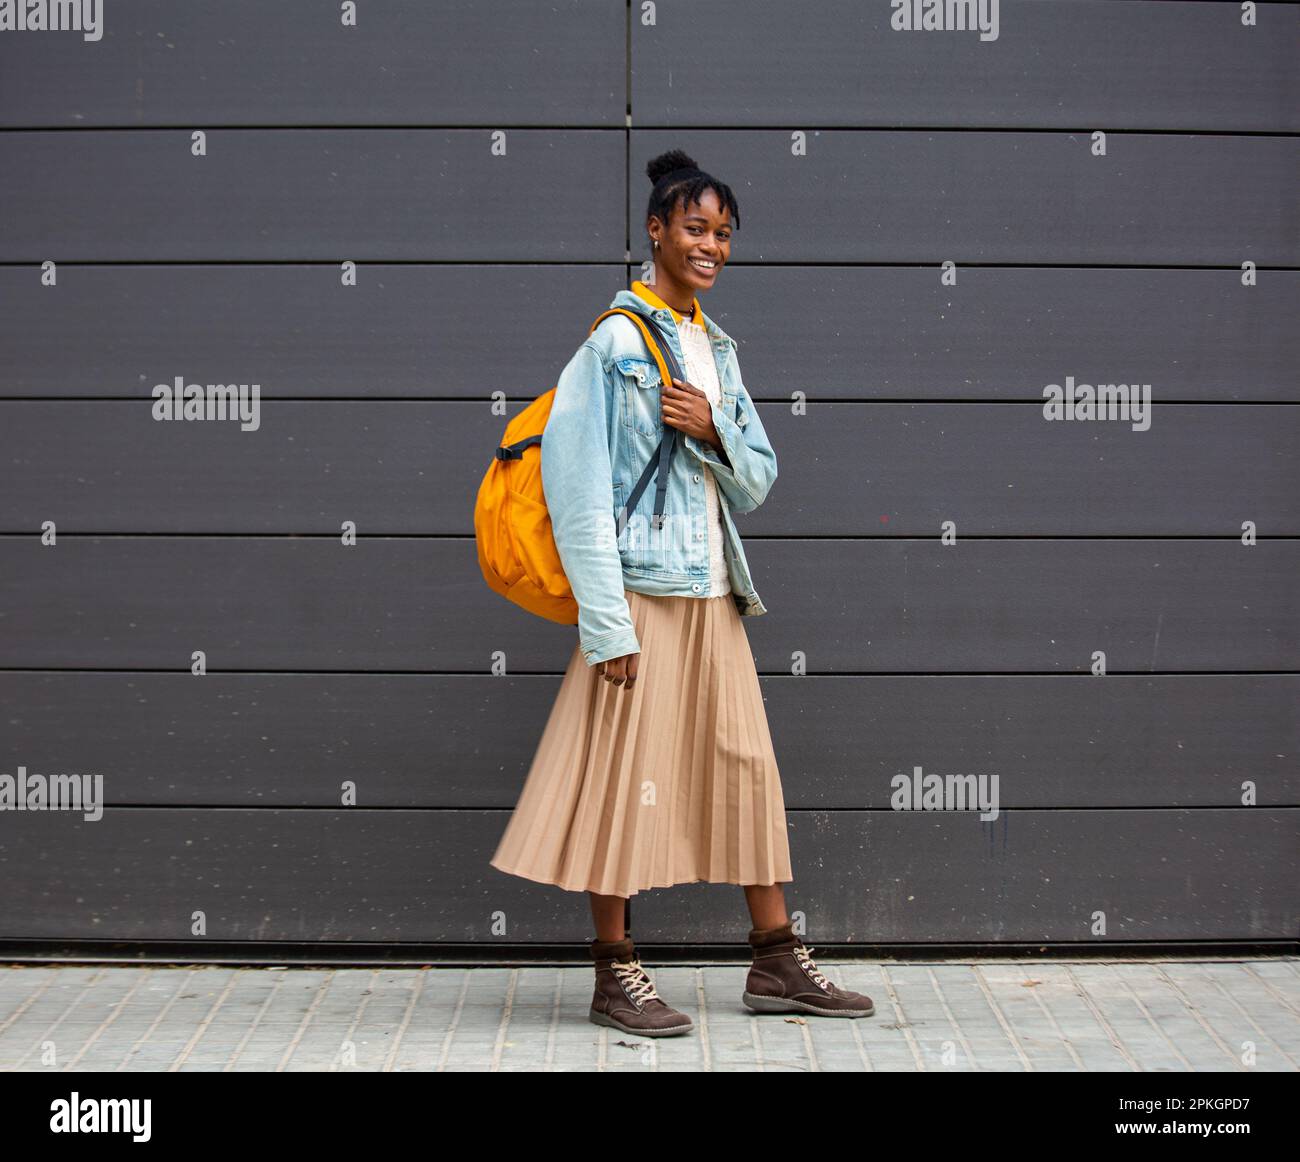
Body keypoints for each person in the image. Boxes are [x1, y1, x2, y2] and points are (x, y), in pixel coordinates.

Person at [490, 149, 874, 1035]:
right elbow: (578, 493)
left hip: (714, 596)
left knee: (744, 767)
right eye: (695, 229)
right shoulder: (612, 345)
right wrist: (606, 625)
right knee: (624, 781)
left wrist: (715, 427)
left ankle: (775, 961)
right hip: (641, 599)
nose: (711, 246)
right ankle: (613, 971)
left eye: (724, 234)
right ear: (656, 231)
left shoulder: (717, 348)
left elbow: (759, 479)